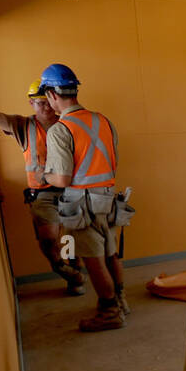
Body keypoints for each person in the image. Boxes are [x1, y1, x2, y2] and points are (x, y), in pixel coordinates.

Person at [39, 63, 131, 332]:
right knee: (111, 254)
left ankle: (110, 312)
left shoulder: (60, 129)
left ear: (52, 95)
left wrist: (45, 175)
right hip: (109, 199)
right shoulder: (103, 120)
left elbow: (62, 179)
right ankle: (121, 300)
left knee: (94, 260)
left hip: (82, 204)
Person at [0, 75, 86, 296]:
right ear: (31, 104)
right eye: (39, 102)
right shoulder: (23, 125)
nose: (45, 106)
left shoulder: (67, 123)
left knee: (70, 237)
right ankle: (63, 269)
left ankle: (75, 273)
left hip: (70, 190)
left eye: (47, 100)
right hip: (42, 194)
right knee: (48, 238)